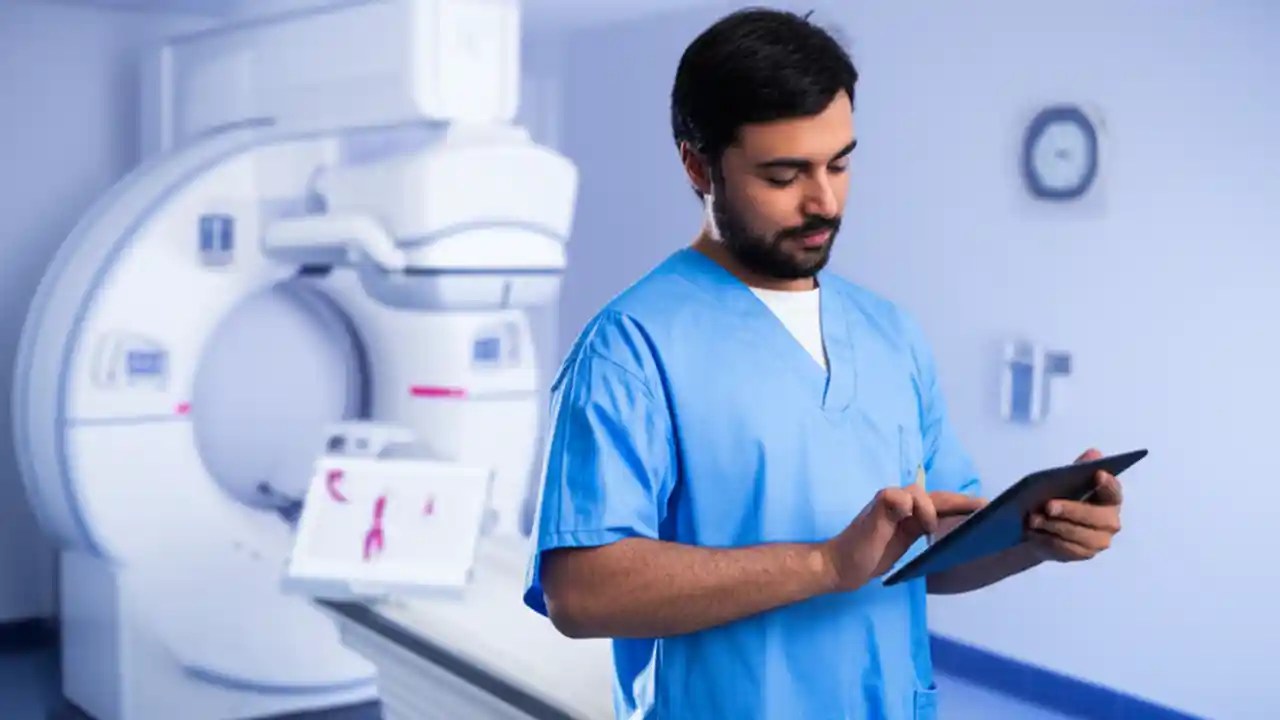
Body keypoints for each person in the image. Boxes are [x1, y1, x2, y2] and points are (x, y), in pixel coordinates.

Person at [522, 8, 1125, 719]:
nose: (825, 200)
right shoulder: (630, 348)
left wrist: (1035, 535)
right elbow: (583, 591)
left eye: (840, 162)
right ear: (697, 164)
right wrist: (823, 565)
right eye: (785, 175)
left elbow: (932, 547)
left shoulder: (889, 335)